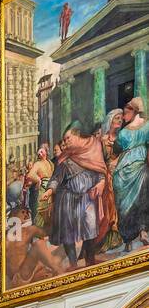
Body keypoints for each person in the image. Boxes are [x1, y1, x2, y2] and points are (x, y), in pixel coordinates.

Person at [41, 124, 110, 269]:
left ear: (78, 136)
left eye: (67, 138)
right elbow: (56, 178)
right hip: (67, 200)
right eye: (64, 140)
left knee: (90, 230)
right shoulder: (64, 159)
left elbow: (100, 171)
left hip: (87, 198)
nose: (65, 142)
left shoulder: (93, 151)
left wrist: (101, 183)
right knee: (68, 234)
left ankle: (90, 261)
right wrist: (49, 190)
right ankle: (73, 264)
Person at [112, 97, 149, 251]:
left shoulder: (128, 132)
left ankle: (141, 232)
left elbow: (116, 149)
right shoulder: (129, 131)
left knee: (138, 200)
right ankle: (130, 238)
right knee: (126, 204)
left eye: (126, 113)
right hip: (125, 171)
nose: (124, 116)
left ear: (133, 111)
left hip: (135, 167)